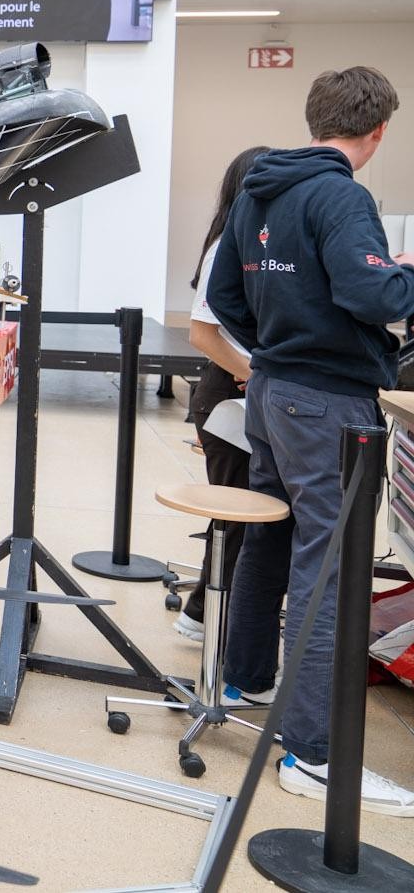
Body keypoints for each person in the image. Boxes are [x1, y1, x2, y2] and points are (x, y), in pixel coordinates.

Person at [207, 66, 414, 816]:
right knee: (330, 569)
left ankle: (245, 679)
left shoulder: (258, 190)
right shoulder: (342, 196)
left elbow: (225, 296)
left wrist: (280, 341)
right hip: (326, 400)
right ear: (378, 131)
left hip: (270, 393)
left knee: (272, 540)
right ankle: (313, 753)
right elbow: (372, 293)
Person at [175, 145, 270, 643]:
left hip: (246, 390)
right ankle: (202, 618)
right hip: (227, 395)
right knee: (236, 518)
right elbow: (202, 335)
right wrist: (255, 372)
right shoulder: (224, 248)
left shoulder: (253, 244)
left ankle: (210, 617)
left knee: (245, 517)